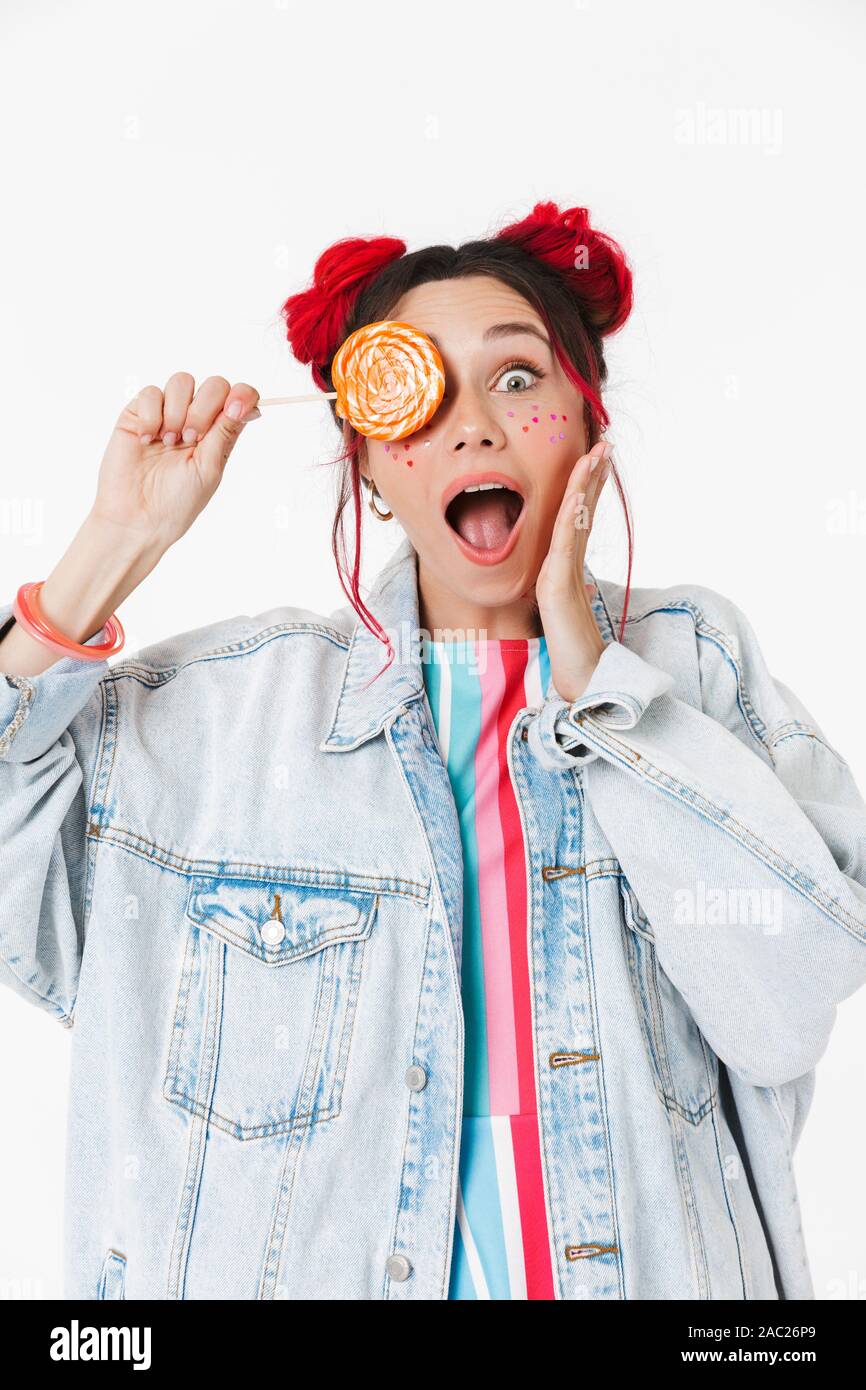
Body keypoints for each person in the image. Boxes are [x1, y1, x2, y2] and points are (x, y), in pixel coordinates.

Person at [1, 201, 865, 1301]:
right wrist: (113, 546)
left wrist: (593, 673)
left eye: (515, 379)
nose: (472, 427)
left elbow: (786, 994)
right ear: (366, 459)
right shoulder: (220, 720)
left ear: (588, 421)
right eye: (422, 389)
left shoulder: (691, 667)